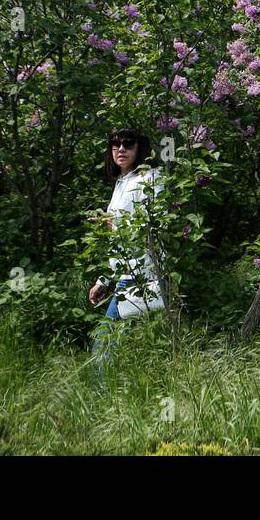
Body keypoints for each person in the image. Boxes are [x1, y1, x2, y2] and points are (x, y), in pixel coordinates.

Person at [88, 129, 165, 378]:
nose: (121, 149)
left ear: (139, 147)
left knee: (105, 341)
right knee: (124, 342)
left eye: (128, 144)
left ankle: (101, 398)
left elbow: (158, 225)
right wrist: (106, 280)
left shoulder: (149, 177)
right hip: (125, 274)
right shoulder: (122, 182)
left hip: (142, 274)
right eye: (115, 144)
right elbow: (121, 244)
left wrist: (116, 225)